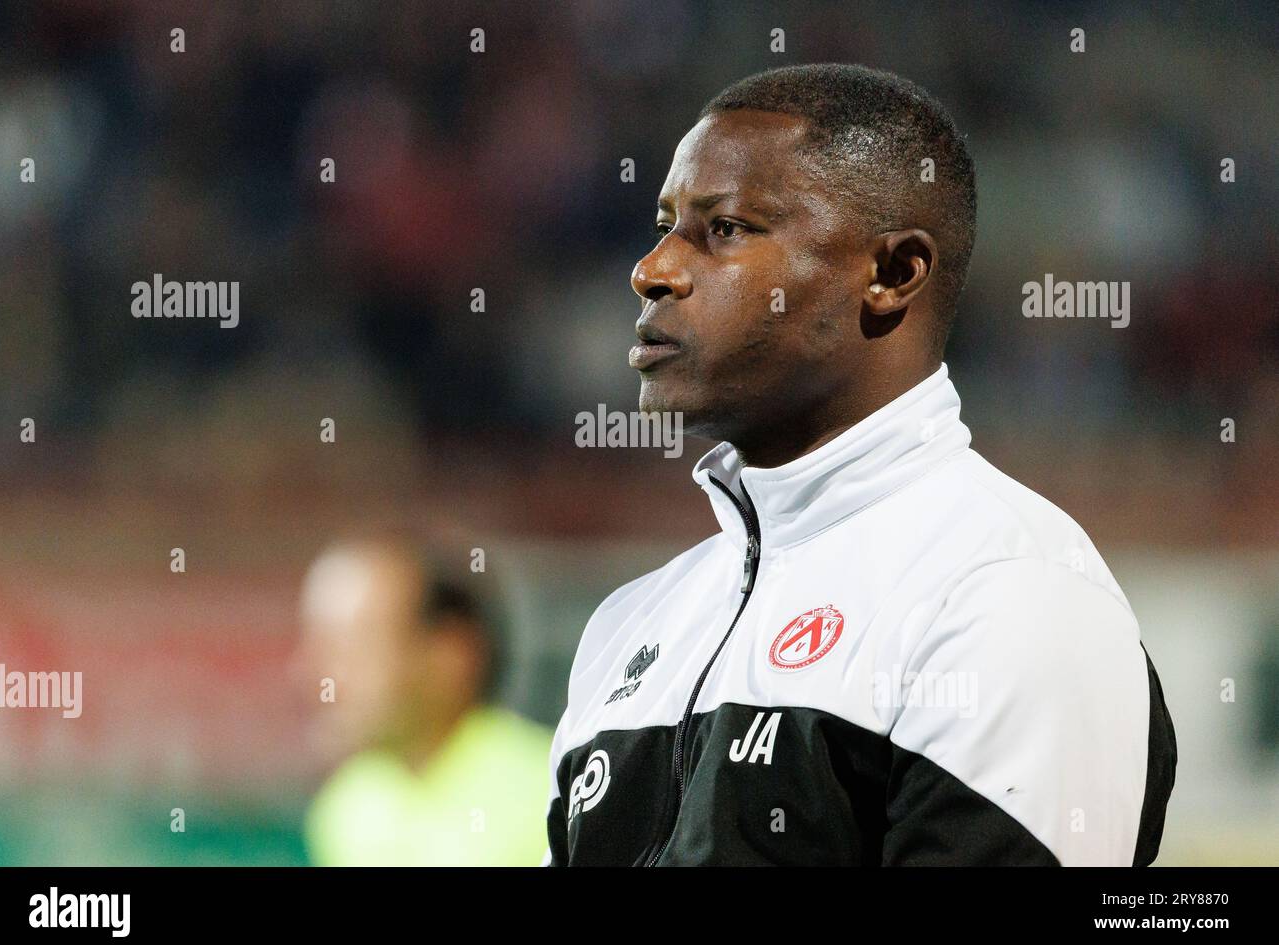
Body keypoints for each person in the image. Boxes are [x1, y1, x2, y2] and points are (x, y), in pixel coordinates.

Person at [543, 63, 1176, 866]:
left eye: (726, 227)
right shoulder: (630, 624)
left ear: (891, 273)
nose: (653, 269)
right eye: (665, 223)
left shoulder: (1009, 593)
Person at [297, 538, 551, 866]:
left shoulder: (554, 787)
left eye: (354, 649)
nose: (319, 675)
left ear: (451, 655)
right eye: (318, 649)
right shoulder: (343, 808)